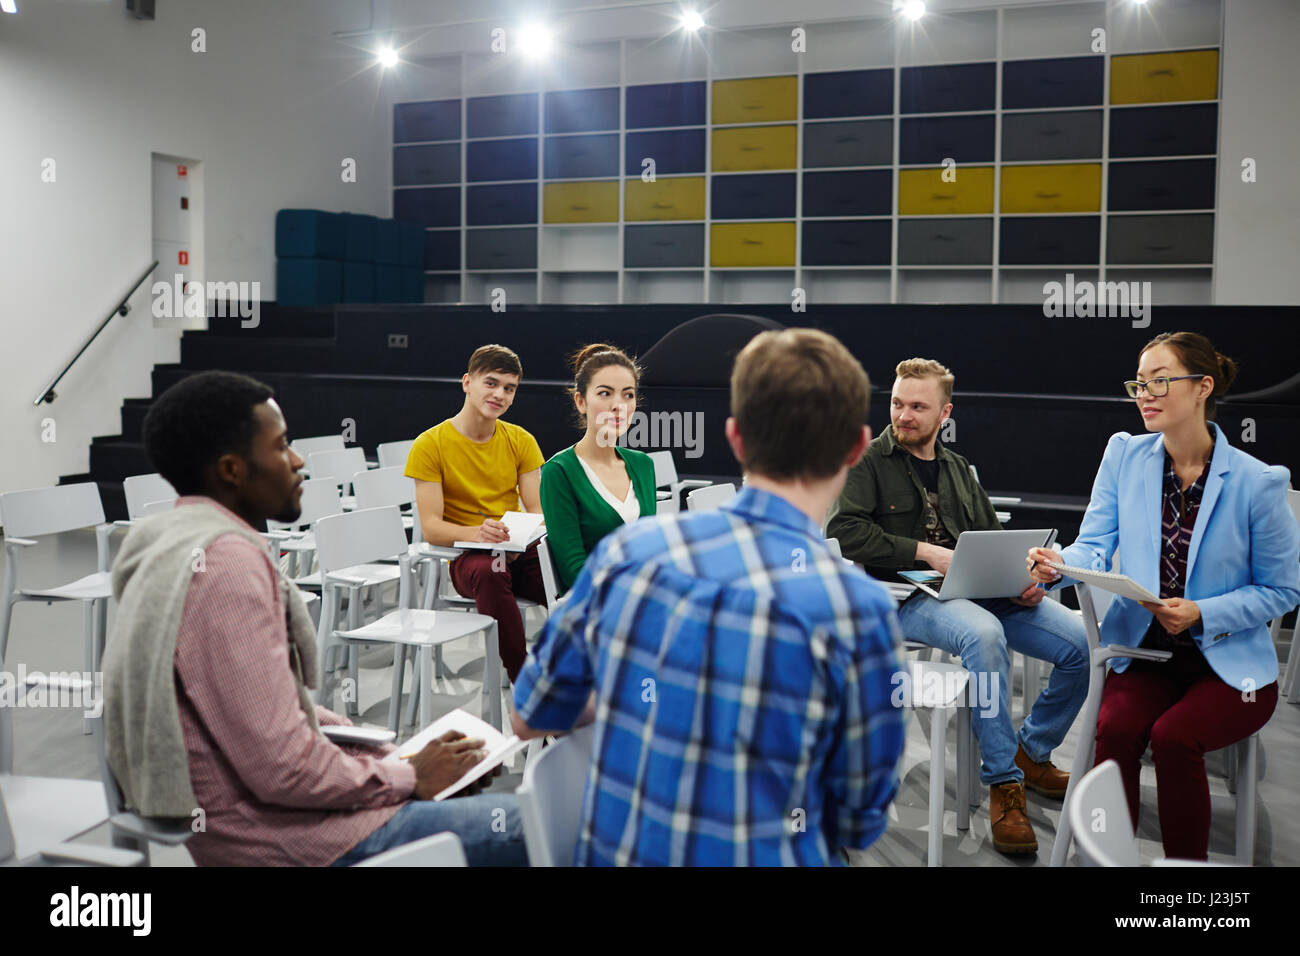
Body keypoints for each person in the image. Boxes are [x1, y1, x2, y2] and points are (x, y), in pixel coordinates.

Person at [513, 328, 906, 866]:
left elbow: (529, 713)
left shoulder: (629, 556)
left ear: (736, 437)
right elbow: (858, 821)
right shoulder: (862, 612)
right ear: (858, 448)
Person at [101, 370, 526, 866]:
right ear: (233, 470)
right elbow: (283, 769)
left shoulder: (178, 539)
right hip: (289, 837)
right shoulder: (225, 569)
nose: (298, 460)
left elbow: (276, 715)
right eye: (281, 447)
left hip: (295, 811)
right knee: (539, 828)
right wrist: (411, 777)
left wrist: (401, 759)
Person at [1028, 332, 1300, 860]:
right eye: (1139, 383)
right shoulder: (1125, 456)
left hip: (1229, 666)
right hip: (1145, 654)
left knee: (1176, 739)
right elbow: (1095, 545)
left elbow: (1283, 590)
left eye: (1159, 381)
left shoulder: (1258, 482)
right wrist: (1057, 566)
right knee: (1115, 732)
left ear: (1203, 387)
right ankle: (1111, 859)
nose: (1144, 394)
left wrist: (1203, 612)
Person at [827, 357, 1089, 856]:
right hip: (908, 596)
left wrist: (1020, 578)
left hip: (980, 588)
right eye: (897, 403)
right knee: (984, 635)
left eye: (917, 407)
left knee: (1080, 642)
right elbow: (844, 531)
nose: (903, 415)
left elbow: (991, 532)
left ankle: (1032, 750)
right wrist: (926, 552)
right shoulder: (865, 461)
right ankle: (1004, 784)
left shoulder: (956, 468)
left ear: (944, 413)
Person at [404, 344, 547, 683]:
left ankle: (586, 670)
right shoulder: (430, 444)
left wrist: (520, 537)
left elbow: (539, 509)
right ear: (467, 382)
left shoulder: (521, 440)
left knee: (567, 571)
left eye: (509, 388)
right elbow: (432, 528)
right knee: (490, 571)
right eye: (491, 383)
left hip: (518, 549)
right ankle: (525, 681)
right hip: (469, 556)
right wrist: (479, 534)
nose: (500, 394)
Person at [540, 343, 658, 593]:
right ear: (581, 401)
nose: (619, 405)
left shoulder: (643, 465)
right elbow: (574, 571)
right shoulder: (559, 471)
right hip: (594, 604)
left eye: (628, 394)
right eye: (605, 393)